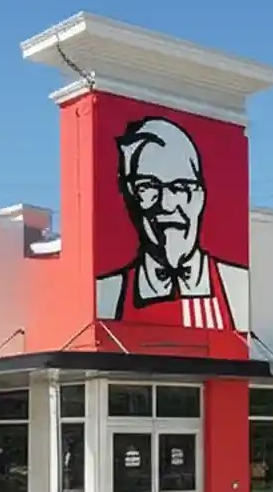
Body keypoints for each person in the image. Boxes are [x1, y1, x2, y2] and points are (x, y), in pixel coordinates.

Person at [96, 117, 249, 332]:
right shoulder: (107, 295)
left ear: (200, 197)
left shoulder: (237, 286)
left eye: (181, 187)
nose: (167, 204)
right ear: (131, 198)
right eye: (148, 187)